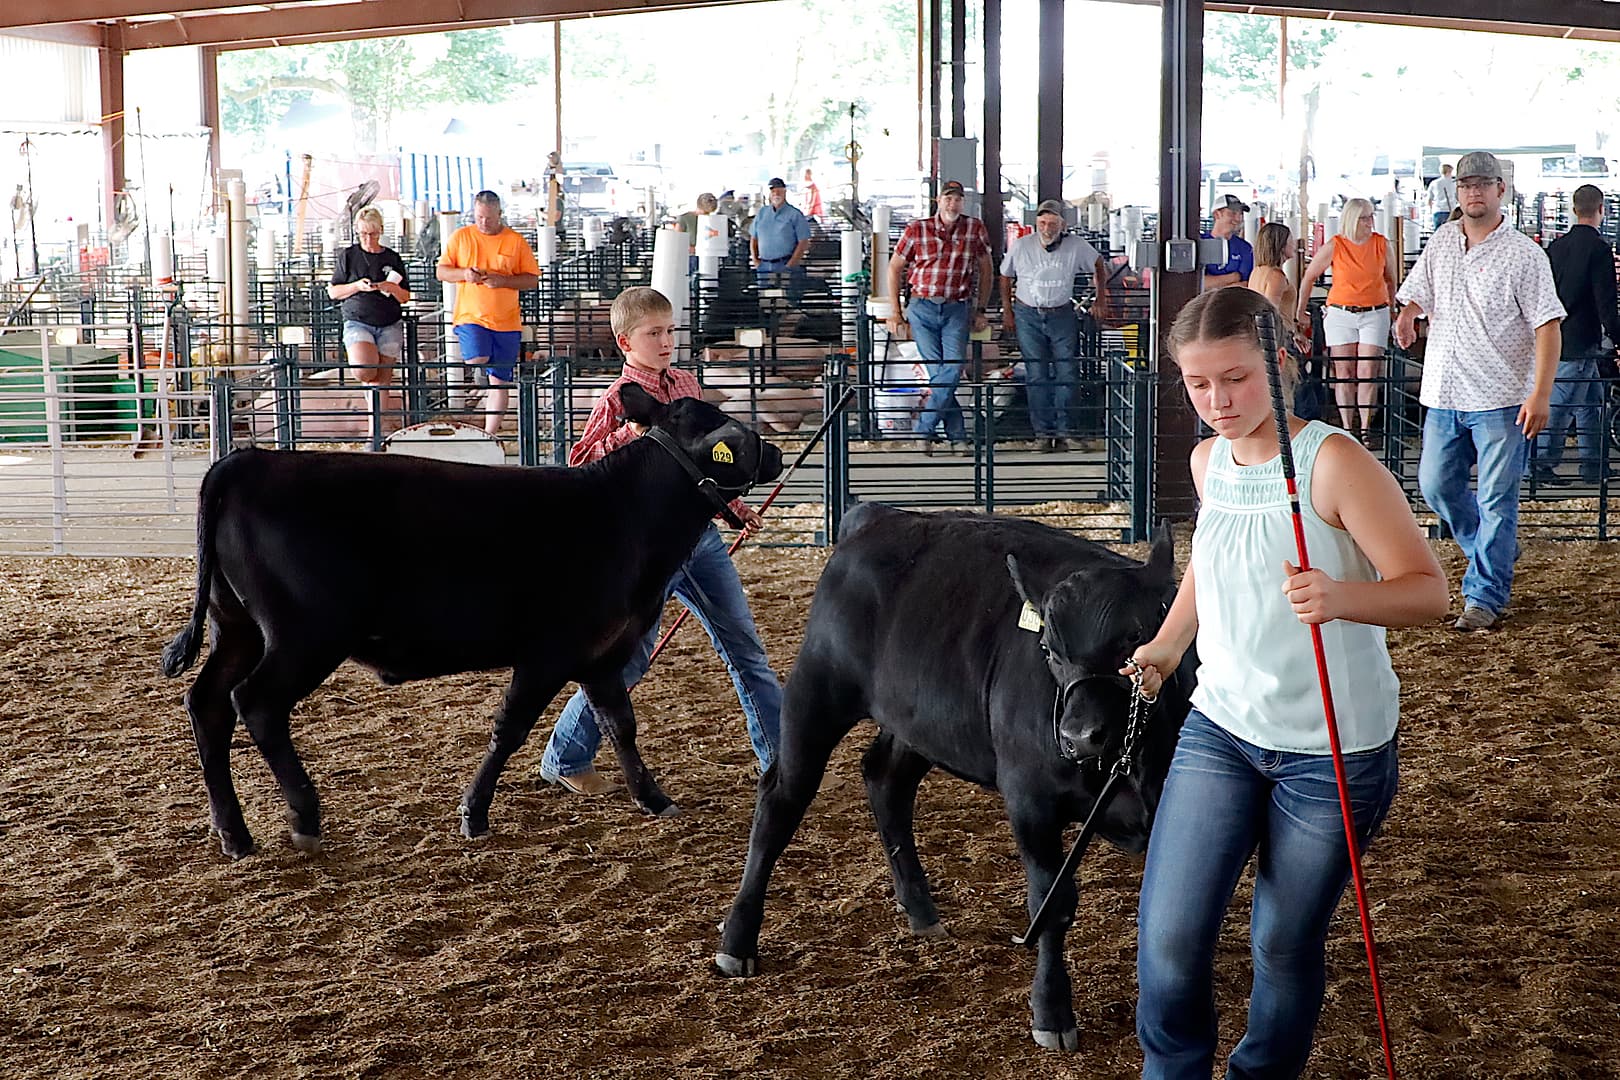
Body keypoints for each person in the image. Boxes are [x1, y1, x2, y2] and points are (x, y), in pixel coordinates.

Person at [1125, 284, 1449, 1080]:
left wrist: (1342, 598)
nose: (1218, 402)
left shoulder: (1335, 462)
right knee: (1168, 938)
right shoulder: (1208, 463)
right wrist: (1168, 645)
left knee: (1282, 940)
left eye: (1234, 379)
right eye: (1198, 385)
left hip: (1331, 750)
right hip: (1222, 728)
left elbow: (1429, 591)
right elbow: (1213, 558)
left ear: (1279, 361)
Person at [537, 285, 781, 795]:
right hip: (645, 549)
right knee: (630, 657)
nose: (667, 341)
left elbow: (706, 460)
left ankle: (781, 763)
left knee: (745, 650)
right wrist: (631, 435)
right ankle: (566, 755)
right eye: (655, 333)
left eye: (671, 330)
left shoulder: (687, 383)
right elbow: (582, 464)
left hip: (699, 539)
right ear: (626, 342)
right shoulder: (615, 400)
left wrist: (733, 507)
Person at [1395, 151, 1565, 632]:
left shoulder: (1526, 256)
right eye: (1466, 185)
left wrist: (1541, 393)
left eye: (1482, 184)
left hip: (1502, 396)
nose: (1472, 192)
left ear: (1499, 191)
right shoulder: (1443, 241)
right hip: (1444, 393)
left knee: (1496, 499)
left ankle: (1484, 596)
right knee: (1436, 486)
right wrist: (1407, 312)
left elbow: (1548, 326)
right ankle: (1494, 548)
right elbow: (1418, 291)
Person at [885, 179, 994, 453]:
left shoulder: (974, 228)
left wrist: (980, 308)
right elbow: (895, 267)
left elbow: (986, 268)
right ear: (938, 200)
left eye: (957, 198)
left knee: (951, 369)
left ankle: (925, 430)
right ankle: (957, 438)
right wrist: (896, 311)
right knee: (941, 372)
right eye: (948, 198)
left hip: (956, 305)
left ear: (963, 202)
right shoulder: (917, 229)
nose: (952, 203)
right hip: (922, 306)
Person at [998, 199, 1102, 450]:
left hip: (1061, 312)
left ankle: (1065, 430)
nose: (1047, 227)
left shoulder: (1076, 246)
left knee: (1067, 371)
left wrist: (1101, 298)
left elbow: (1099, 264)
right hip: (1028, 313)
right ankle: (1043, 433)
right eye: (1043, 222)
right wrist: (1008, 310)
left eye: (1052, 223)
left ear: (1062, 225)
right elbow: (1005, 275)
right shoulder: (1022, 246)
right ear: (1036, 224)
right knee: (1037, 374)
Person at [435, 191, 541, 437]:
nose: (484, 222)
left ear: (499, 214)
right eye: (479, 217)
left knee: (500, 381)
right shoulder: (461, 237)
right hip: (471, 316)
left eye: (489, 218)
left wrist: (503, 280)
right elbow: (442, 271)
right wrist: (465, 274)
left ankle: (489, 434)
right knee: (477, 359)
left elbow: (531, 279)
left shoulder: (515, 241)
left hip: (507, 321)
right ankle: (478, 381)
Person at [1535, 183, 1620, 486]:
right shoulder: (1599, 249)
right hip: (1583, 339)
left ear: (1573, 209)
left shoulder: (1556, 247)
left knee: (1591, 403)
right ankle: (1541, 464)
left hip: (1556, 335)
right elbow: (1606, 300)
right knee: (1562, 405)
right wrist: (1617, 338)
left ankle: (1593, 464)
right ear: (1601, 210)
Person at [1295, 197, 1397, 443]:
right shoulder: (1336, 245)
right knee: (1344, 370)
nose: (1370, 222)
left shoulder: (1381, 244)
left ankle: (1364, 428)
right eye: (1364, 218)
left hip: (1375, 311)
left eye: (1371, 216)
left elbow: (1391, 279)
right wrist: (1299, 311)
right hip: (1341, 312)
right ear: (1352, 219)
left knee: (1367, 370)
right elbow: (1309, 277)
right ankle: (1346, 426)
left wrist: (1393, 310)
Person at [327, 206, 411, 445]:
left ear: (381, 231)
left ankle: (374, 434)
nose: (368, 238)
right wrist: (357, 286)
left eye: (372, 233)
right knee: (365, 370)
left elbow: (405, 296)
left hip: (389, 321)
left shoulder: (392, 258)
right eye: (363, 233)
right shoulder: (348, 256)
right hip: (358, 320)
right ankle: (374, 430)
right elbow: (334, 291)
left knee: (382, 379)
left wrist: (390, 287)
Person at [750, 177, 812, 295]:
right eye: (773, 191)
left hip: (785, 263)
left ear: (785, 192)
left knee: (787, 302)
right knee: (765, 301)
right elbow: (754, 238)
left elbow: (803, 241)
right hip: (764, 265)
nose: (776, 194)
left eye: (779, 190)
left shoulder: (795, 214)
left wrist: (791, 264)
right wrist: (755, 260)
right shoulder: (762, 213)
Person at [1202, 194, 1254, 290]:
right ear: (1217, 214)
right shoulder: (1201, 243)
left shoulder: (1245, 247)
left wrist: (1212, 284)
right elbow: (1198, 282)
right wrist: (1233, 277)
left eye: (1241, 214)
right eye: (1233, 213)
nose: (1238, 219)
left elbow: (1246, 285)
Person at [677, 192, 720, 273]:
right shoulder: (684, 218)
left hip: (707, 253)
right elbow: (677, 239)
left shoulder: (712, 220)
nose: (706, 215)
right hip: (691, 254)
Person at [1426, 164, 1458, 231]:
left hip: (1438, 211)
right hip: (1451, 211)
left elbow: (1429, 200)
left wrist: (1431, 210)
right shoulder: (1454, 183)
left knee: (1438, 233)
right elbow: (1458, 197)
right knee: (1451, 232)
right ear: (1449, 171)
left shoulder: (1434, 183)